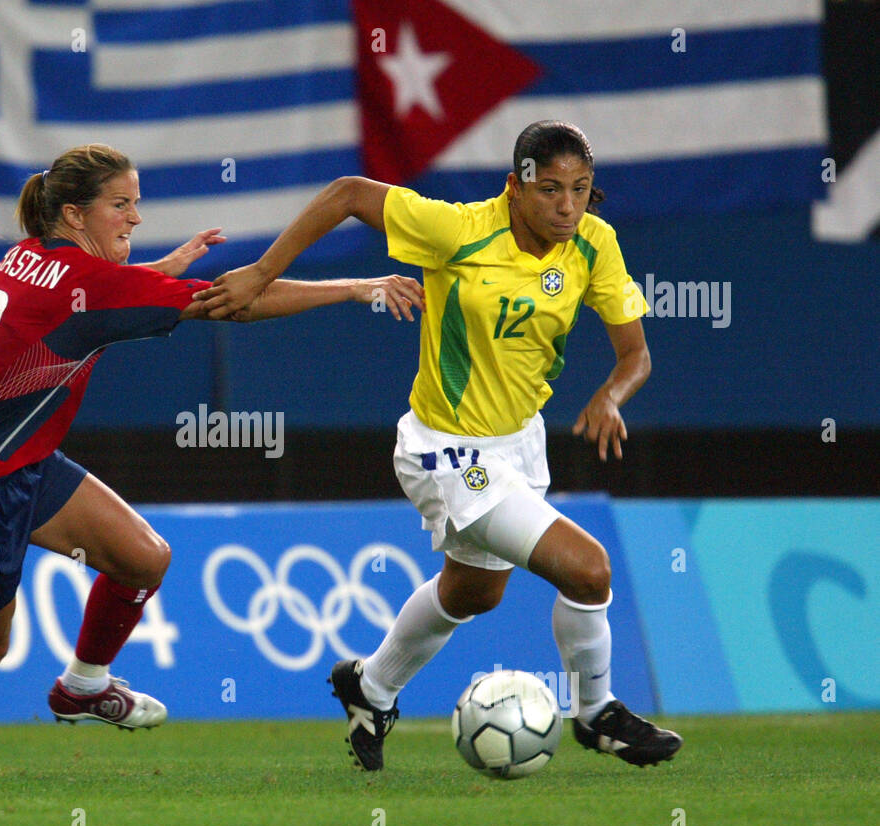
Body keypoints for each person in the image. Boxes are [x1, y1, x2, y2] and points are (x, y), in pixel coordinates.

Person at [0, 143, 424, 776]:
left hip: (20, 462)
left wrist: (157, 273)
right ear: (76, 216)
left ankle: (82, 685)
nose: (134, 218)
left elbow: (90, 300)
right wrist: (355, 287)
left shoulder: (31, 255)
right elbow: (235, 301)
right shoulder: (91, 283)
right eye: (121, 205)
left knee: (142, 558)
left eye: (136, 203)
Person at [201, 121, 683, 771]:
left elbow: (636, 354)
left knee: (475, 594)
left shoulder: (594, 245)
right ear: (515, 187)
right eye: (550, 190)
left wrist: (611, 397)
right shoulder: (457, 230)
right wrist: (262, 272)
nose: (566, 205)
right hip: (450, 450)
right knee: (588, 569)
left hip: (520, 444)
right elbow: (346, 193)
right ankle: (597, 714)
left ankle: (369, 687)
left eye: (581, 190)